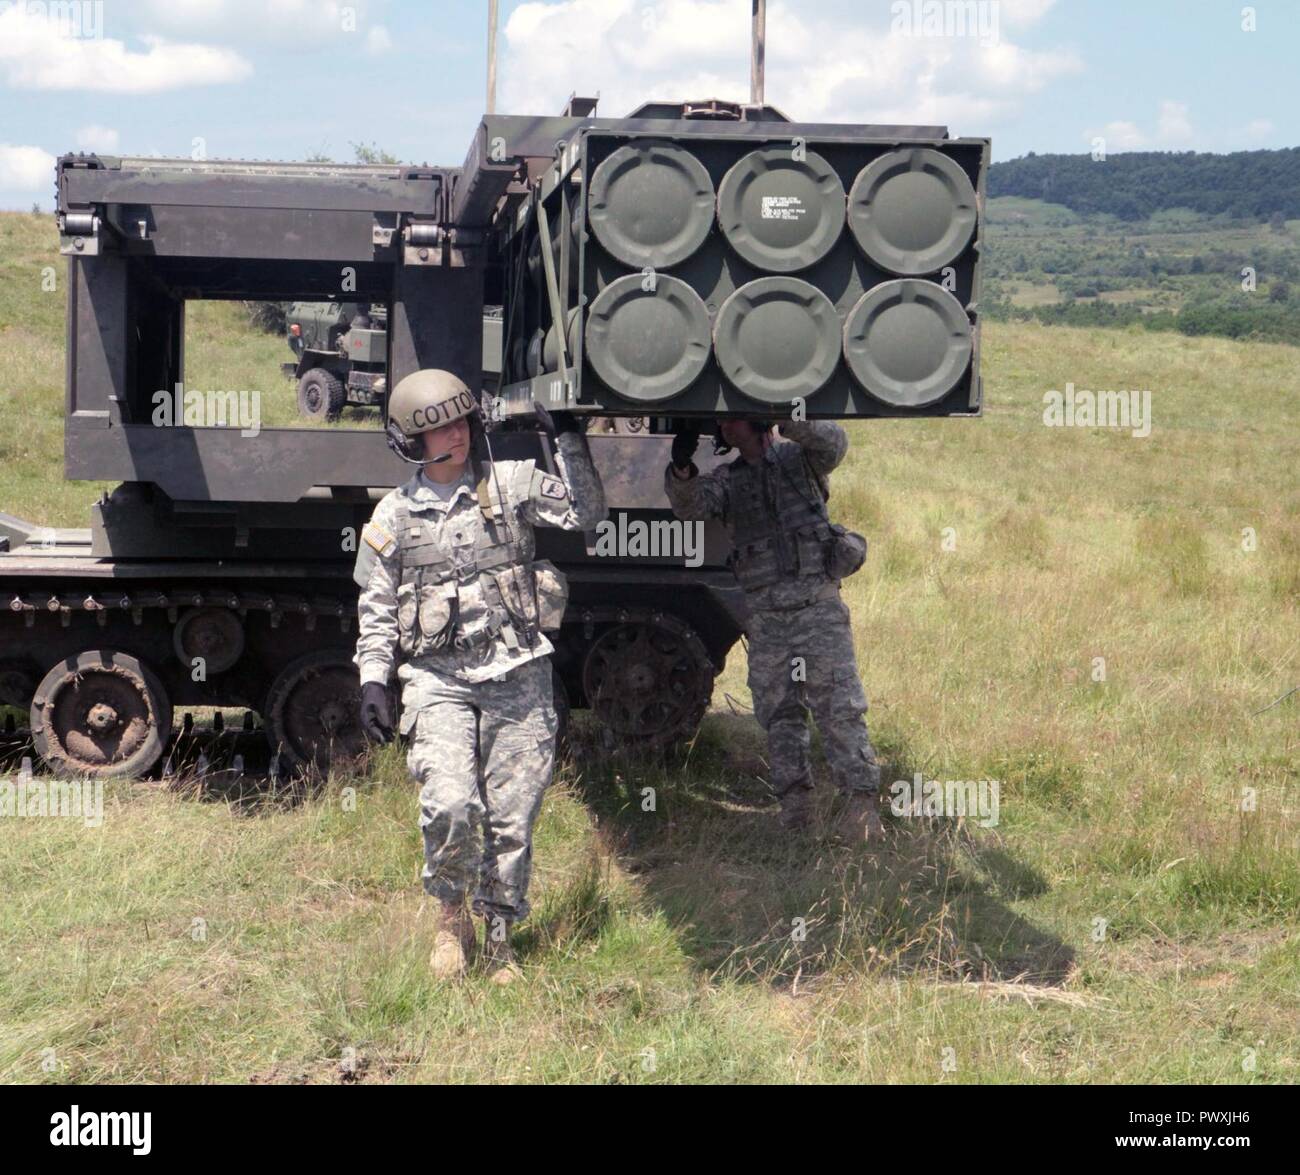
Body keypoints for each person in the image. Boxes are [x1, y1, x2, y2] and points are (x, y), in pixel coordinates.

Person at [353, 369, 606, 982]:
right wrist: (372, 679)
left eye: (462, 421)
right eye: (440, 426)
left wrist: (569, 438)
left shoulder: (511, 483)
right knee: (452, 803)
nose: (457, 435)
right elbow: (378, 609)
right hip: (438, 680)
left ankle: (498, 938)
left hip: (517, 672)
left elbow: (584, 515)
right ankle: (450, 921)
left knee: (513, 815)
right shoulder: (393, 516)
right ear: (413, 441)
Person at [665, 418, 884, 840]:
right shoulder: (727, 481)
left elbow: (835, 444)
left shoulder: (799, 459)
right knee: (779, 713)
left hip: (816, 608)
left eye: (734, 417)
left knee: (839, 706)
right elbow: (689, 507)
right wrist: (681, 470)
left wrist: (789, 416)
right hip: (767, 619)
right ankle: (796, 808)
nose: (726, 427)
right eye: (721, 422)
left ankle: (860, 807)